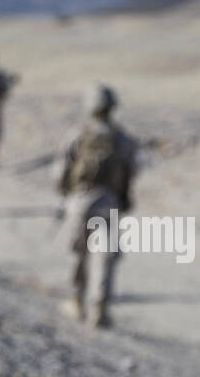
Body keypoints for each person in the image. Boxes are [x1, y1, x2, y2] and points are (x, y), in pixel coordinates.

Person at [54, 84, 137, 328]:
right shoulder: (122, 138)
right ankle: (100, 307)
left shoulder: (77, 134)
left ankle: (77, 301)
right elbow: (130, 171)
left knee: (79, 253)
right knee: (104, 255)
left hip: (80, 201)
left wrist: (64, 196)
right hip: (109, 202)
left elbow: (61, 170)